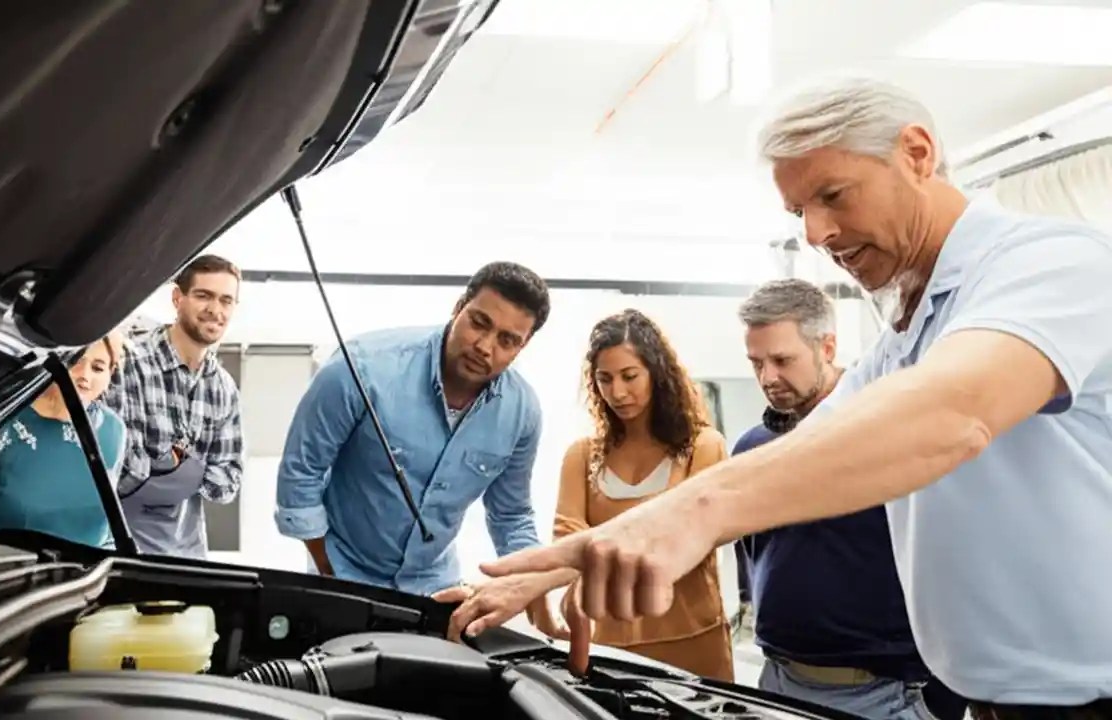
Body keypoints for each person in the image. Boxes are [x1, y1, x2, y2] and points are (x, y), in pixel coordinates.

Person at [461, 75, 1112, 717]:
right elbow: (799, 451)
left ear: (918, 154)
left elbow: (952, 414)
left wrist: (692, 516)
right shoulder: (906, 336)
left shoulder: (1048, 263)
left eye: (833, 194)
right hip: (995, 703)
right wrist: (560, 566)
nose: (816, 234)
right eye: (800, 211)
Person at [275, 261, 560, 634]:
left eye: (507, 340)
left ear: (523, 346)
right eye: (479, 322)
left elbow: (511, 517)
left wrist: (537, 599)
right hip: (342, 575)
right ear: (458, 307)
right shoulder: (360, 367)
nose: (484, 347)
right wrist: (327, 571)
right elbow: (302, 474)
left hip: (435, 588)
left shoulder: (523, 413)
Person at [734, 279, 965, 720]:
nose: (768, 378)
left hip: (888, 697)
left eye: (782, 360)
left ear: (827, 347)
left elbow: (949, 567)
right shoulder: (751, 449)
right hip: (776, 685)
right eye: (756, 363)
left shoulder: (888, 436)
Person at [554, 310, 733, 679]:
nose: (617, 392)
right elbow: (565, 541)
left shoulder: (703, 446)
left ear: (657, 373)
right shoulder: (582, 455)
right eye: (605, 379)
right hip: (608, 647)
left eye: (629, 376)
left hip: (694, 639)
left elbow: (687, 538)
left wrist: (597, 547)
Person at [106, 254, 246, 559]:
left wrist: (179, 468)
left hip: (188, 556)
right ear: (177, 298)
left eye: (226, 300)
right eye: (203, 296)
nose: (215, 309)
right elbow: (121, 469)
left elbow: (229, 482)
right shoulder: (128, 364)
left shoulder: (223, 388)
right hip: (123, 550)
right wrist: (191, 469)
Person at [0, 331, 128, 548]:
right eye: (74, 362)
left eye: (98, 368)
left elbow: (106, 531)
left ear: (111, 374)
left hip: (82, 577)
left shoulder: (113, 430)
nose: (84, 377)